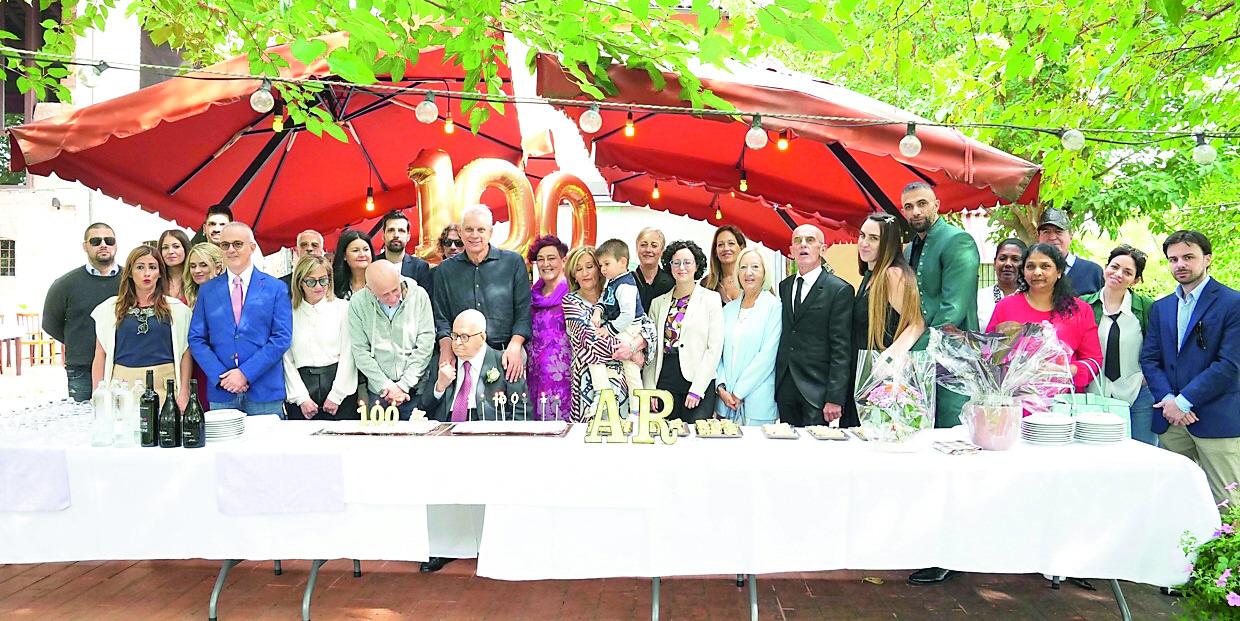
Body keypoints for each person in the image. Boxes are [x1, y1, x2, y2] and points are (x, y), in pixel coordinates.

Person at [1140, 230, 1240, 509]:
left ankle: (1224, 555)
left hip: (1217, 419)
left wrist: (1184, 401)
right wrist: (1170, 401)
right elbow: (1150, 359)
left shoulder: (1233, 303)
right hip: (1171, 422)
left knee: (1226, 504)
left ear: (1207, 258)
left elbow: (1229, 364)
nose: (1180, 264)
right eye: (1173, 259)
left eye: (1188, 257)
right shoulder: (1161, 308)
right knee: (1178, 502)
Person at [188, 222, 292, 416]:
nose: (231, 250)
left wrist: (245, 373)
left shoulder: (275, 288)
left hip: (264, 389)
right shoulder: (208, 290)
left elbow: (281, 338)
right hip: (222, 389)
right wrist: (221, 377)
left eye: (237, 244)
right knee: (224, 447)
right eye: (225, 245)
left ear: (252, 247)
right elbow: (196, 338)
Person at [901, 182, 979, 428]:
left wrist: (913, 353)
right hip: (920, 361)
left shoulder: (958, 241)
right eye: (909, 206)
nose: (916, 211)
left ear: (936, 206)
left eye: (922, 204)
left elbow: (952, 309)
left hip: (953, 358)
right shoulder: (908, 250)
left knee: (951, 435)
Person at [431, 205, 531, 383]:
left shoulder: (513, 263)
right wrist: (446, 352)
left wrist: (516, 346)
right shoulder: (445, 270)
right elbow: (441, 318)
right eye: (469, 229)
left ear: (490, 232)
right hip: (462, 358)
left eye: (481, 230)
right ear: (460, 232)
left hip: (506, 353)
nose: (474, 235)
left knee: (513, 409)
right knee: (464, 410)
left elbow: (523, 312)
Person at [987, 243, 1103, 392]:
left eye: (1045, 266)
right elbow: (990, 353)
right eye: (1030, 266)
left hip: (1063, 404)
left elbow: (1093, 360)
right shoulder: (1006, 306)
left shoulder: (1080, 310)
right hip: (1014, 403)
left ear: (1059, 271)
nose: (1037, 272)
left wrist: (1064, 369)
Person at [89, 246, 193, 408]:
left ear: (160, 273)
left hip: (165, 386)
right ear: (130, 272)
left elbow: (185, 354)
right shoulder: (109, 309)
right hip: (121, 387)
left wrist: (184, 393)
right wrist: (98, 393)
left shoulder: (178, 310)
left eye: (152, 267)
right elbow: (100, 354)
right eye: (140, 267)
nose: (147, 273)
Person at [775, 225, 855, 428]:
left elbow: (841, 347)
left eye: (810, 240)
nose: (803, 245)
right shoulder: (785, 286)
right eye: (797, 241)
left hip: (817, 390)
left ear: (823, 248)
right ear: (791, 251)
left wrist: (835, 397)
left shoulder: (839, 290)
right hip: (786, 386)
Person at [563, 246, 654, 422]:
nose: (585, 273)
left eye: (590, 266)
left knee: (624, 438)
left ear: (600, 268)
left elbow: (647, 326)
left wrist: (637, 343)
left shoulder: (617, 293)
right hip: (589, 386)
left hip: (623, 383)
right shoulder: (571, 302)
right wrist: (631, 350)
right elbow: (590, 341)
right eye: (578, 269)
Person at [1082, 245, 1157, 446]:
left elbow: (1160, 350)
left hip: (1138, 392)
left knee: (1143, 454)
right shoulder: (1084, 305)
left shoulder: (1146, 308)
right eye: (1114, 267)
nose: (1118, 274)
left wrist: (1146, 379)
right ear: (1105, 267)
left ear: (1136, 280)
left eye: (1127, 272)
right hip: (1094, 392)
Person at [643, 240, 724, 423]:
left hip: (697, 379)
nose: (682, 267)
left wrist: (698, 388)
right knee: (666, 438)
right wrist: (650, 388)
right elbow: (652, 350)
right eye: (676, 262)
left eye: (687, 262)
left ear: (697, 265)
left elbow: (714, 348)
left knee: (695, 439)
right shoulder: (658, 303)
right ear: (669, 266)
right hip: (664, 379)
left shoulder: (711, 299)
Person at [43, 222, 122, 401]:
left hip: (122, 365)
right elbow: (50, 323)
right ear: (85, 246)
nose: (103, 245)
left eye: (109, 240)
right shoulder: (65, 284)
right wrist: (77, 340)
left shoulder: (130, 281)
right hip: (81, 368)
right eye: (96, 241)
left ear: (116, 245)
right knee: (83, 422)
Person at [348, 260, 434, 419]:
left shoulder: (419, 295)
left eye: (395, 290)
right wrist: (386, 386)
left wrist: (404, 385)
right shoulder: (358, 303)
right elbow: (360, 351)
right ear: (370, 290)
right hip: (379, 390)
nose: (393, 298)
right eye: (385, 295)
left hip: (415, 387)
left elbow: (426, 343)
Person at [282, 254, 360, 421]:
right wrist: (301, 398)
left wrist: (337, 395)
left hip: (339, 386)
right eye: (311, 281)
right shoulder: (288, 313)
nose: (318, 286)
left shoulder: (343, 308)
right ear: (300, 282)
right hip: (301, 387)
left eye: (323, 280)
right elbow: (286, 359)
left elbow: (349, 354)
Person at [417, 308, 529, 421]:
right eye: (455, 336)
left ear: (482, 337)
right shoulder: (443, 362)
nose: (457, 343)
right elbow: (423, 410)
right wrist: (440, 387)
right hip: (447, 429)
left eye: (464, 337)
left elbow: (521, 412)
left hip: (488, 430)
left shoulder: (504, 363)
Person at [853, 213, 926, 386]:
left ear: (887, 244)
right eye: (862, 235)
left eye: (873, 238)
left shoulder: (892, 275)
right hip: (866, 374)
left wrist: (889, 358)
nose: (864, 243)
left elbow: (917, 323)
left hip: (885, 380)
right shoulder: (870, 276)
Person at [715, 247, 781, 425]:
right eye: (743, 267)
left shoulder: (774, 307)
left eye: (755, 267)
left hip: (758, 400)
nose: (748, 273)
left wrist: (739, 392)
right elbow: (717, 352)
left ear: (764, 272)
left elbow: (767, 355)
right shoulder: (728, 309)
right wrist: (721, 387)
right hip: (725, 401)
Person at [592, 238, 646, 402]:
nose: (602, 269)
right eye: (601, 265)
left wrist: (607, 330)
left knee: (630, 369)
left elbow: (627, 316)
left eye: (606, 264)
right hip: (620, 327)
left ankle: (634, 407)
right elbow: (604, 299)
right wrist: (597, 311)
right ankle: (603, 396)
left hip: (628, 329)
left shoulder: (625, 285)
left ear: (622, 262)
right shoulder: (613, 282)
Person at [527, 235, 572, 420]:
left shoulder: (573, 293)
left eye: (551, 258)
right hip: (534, 372)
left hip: (564, 375)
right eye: (540, 259)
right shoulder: (531, 295)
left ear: (563, 260)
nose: (546, 264)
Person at [1037, 208, 1104, 296]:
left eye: (1058, 231)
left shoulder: (1093, 272)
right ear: (1038, 237)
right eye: (1046, 232)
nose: (1052, 237)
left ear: (1071, 235)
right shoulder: (1030, 272)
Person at [376, 210, 433, 295]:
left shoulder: (420, 267)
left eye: (401, 231)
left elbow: (425, 302)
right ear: (383, 235)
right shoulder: (373, 264)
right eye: (391, 230)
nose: (396, 235)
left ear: (408, 236)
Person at [978, 238, 1026, 330]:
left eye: (1015, 259)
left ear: (1025, 265)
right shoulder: (978, 298)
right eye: (1002, 258)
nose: (1008, 264)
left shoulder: (1033, 298)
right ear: (994, 263)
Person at [700, 225, 747, 305]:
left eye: (731, 243)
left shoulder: (755, 277)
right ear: (715, 251)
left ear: (741, 247)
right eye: (720, 245)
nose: (726, 248)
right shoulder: (706, 284)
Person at [633, 227, 674, 314]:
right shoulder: (627, 281)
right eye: (643, 245)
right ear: (637, 248)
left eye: (654, 246)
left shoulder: (671, 283)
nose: (648, 250)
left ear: (662, 250)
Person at [182, 242, 226, 309]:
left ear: (218, 268)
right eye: (193, 266)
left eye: (203, 265)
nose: (197, 270)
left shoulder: (231, 296)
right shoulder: (186, 300)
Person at [333, 229, 373, 300]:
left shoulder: (381, 280)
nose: (362, 254)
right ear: (344, 255)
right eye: (355, 250)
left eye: (366, 249)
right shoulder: (334, 284)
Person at [157, 229, 191, 301]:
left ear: (185, 249)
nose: (170, 252)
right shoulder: (156, 280)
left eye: (176, 246)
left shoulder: (195, 278)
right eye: (165, 248)